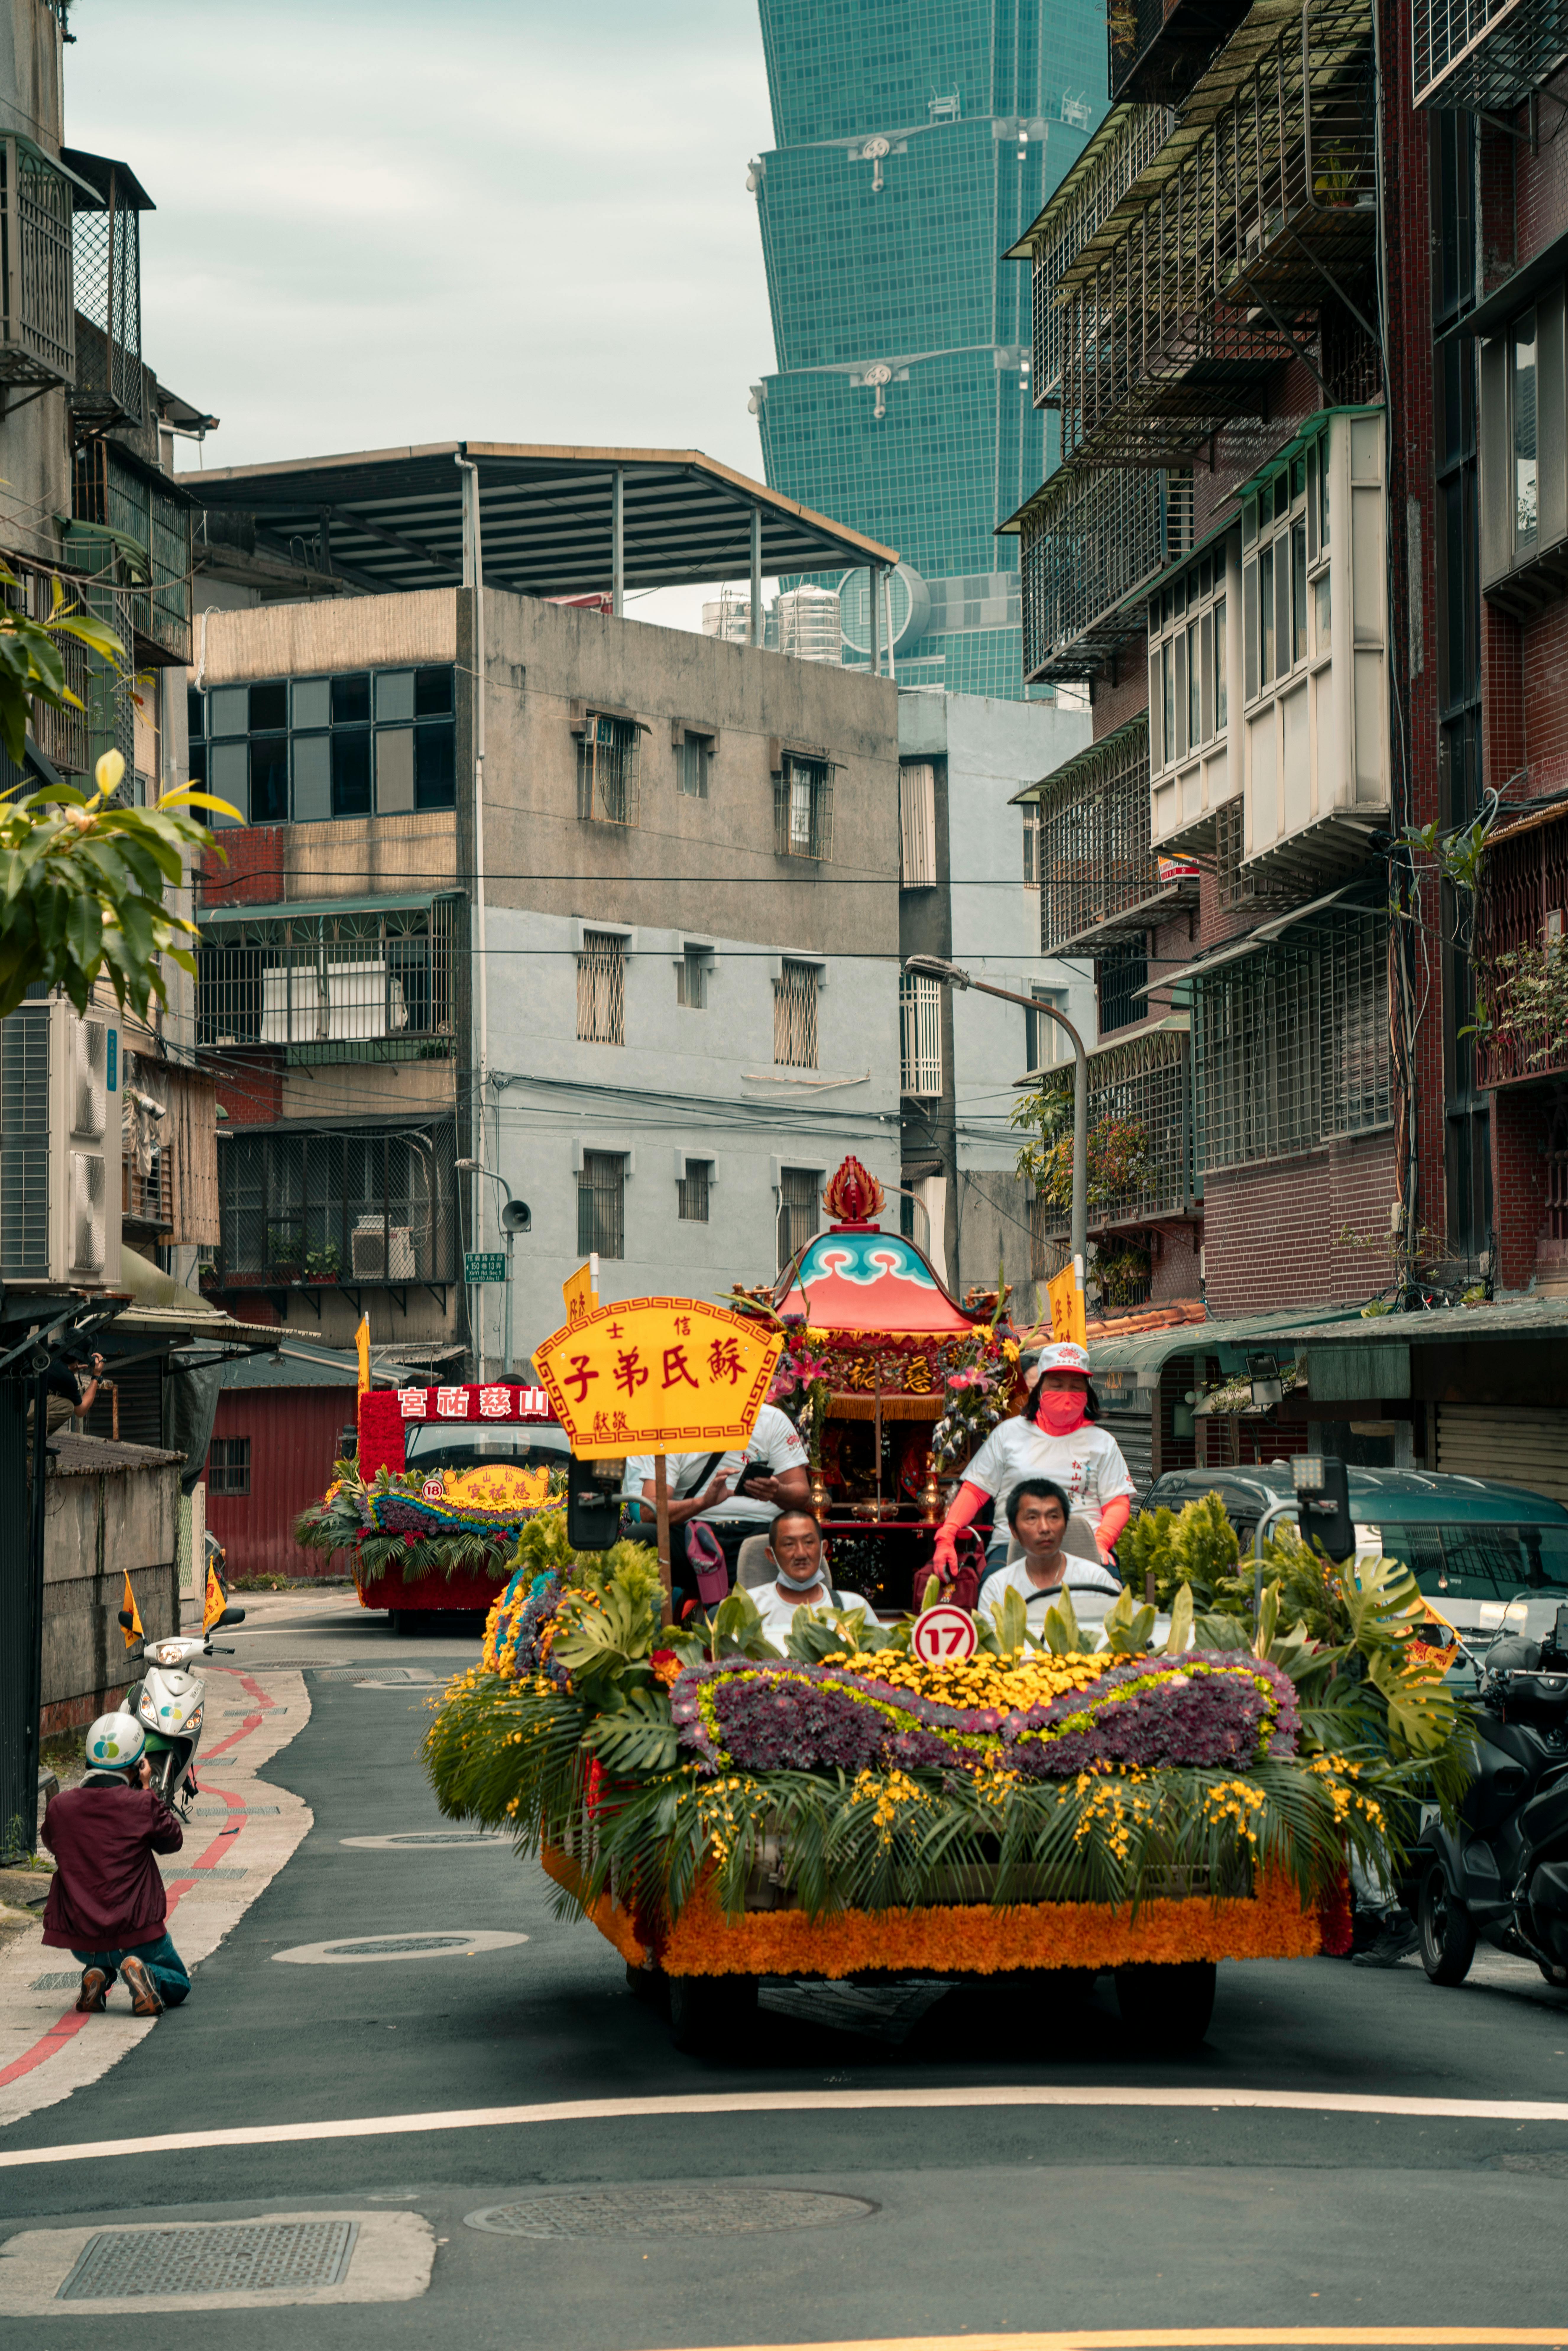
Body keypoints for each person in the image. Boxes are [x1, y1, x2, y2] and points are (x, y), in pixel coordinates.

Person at [930, 1340, 1135, 1581]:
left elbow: (1118, 1503)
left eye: (1076, 1387)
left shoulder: (1104, 1443)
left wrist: (1101, 1543)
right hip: (1011, 1546)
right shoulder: (1007, 1435)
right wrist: (947, 1535)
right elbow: (976, 1491)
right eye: (1057, 1386)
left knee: (1110, 1596)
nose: (1067, 1396)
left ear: (1088, 1393)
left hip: (1086, 1547)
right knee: (991, 1596)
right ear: (1039, 1389)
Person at [40, 1712, 191, 2018]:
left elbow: (53, 1843)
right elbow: (172, 1840)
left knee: (101, 1955)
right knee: (179, 1983)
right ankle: (143, 1972)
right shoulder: (140, 1804)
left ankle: (97, 1972)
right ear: (138, 1765)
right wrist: (149, 1789)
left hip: (84, 1939)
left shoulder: (60, 1807)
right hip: (139, 1935)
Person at [624, 1400, 811, 1583]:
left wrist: (777, 1491)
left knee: (801, 1541)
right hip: (693, 1533)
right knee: (638, 1539)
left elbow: (802, 1494)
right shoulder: (673, 1423)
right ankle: (653, 1614)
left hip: (761, 1532)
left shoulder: (772, 1419)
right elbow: (649, 1510)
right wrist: (703, 1503)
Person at [977, 1477, 1121, 1631]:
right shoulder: (997, 1588)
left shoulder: (1096, 1580)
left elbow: (1118, 1637)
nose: (1045, 1528)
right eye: (1032, 1518)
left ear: (1065, 1525)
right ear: (1014, 1530)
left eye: (1053, 1517)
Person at [751, 1505, 867, 1646]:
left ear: (823, 1549)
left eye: (809, 1543)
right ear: (771, 1555)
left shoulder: (854, 1607)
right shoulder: (752, 1605)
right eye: (789, 1544)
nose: (801, 1554)